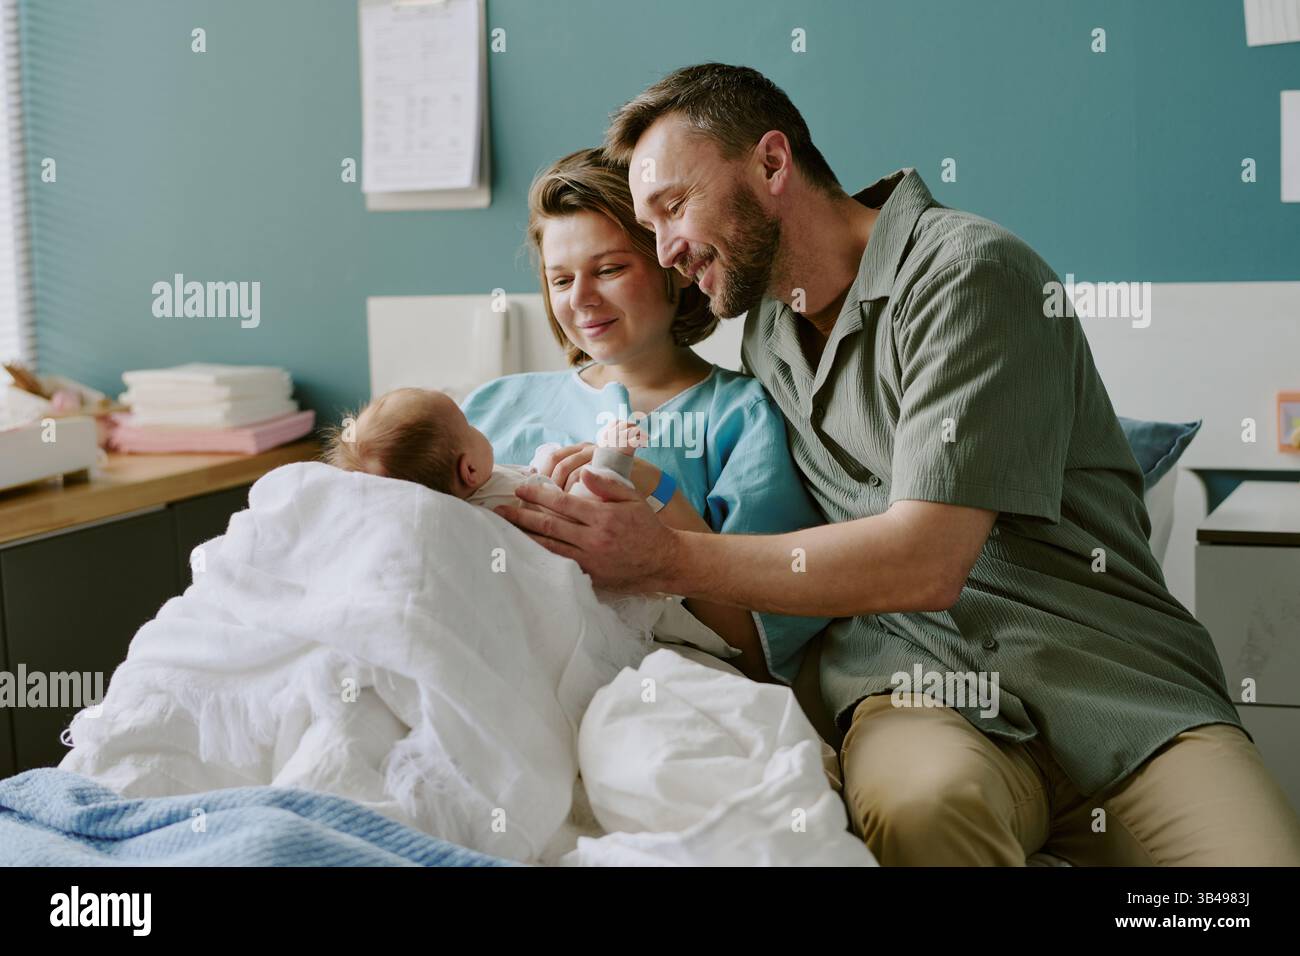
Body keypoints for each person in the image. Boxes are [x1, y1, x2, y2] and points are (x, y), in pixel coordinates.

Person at [493, 63, 1300, 866]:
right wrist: (649, 488)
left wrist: (665, 557)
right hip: (916, 689)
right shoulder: (767, 337)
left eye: (673, 208)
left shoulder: (967, 275)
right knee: (925, 806)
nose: (665, 251)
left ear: (772, 164)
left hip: (1114, 684)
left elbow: (928, 559)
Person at [461, 147, 830, 684]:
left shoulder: (741, 416)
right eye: (561, 280)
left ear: (675, 266)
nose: (583, 300)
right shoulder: (495, 406)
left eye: (609, 269)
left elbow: (756, 653)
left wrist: (658, 493)